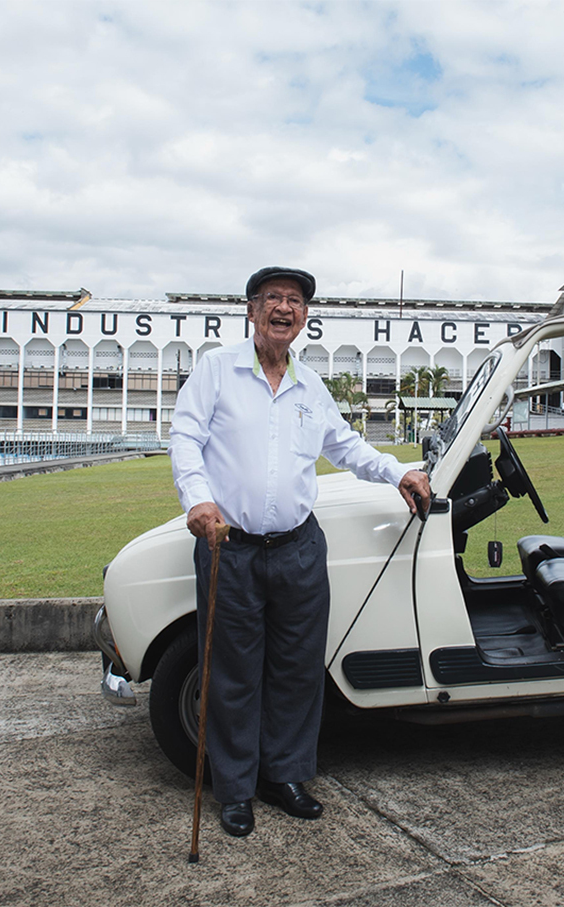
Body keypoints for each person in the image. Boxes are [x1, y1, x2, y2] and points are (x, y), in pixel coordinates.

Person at [169, 266, 431, 838]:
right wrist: (198, 500)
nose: (283, 308)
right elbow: (185, 437)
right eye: (272, 299)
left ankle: (284, 775)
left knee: (296, 670)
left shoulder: (310, 387)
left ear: (304, 316)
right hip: (230, 548)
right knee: (233, 675)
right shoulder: (216, 371)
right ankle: (235, 790)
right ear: (251, 309)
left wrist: (397, 472)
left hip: (298, 549)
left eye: (294, 300)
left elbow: (345, 445)